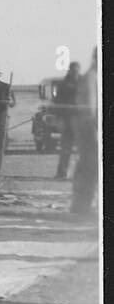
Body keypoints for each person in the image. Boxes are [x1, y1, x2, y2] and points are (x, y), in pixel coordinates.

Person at [70, 49, 98, 214]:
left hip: (90, 129)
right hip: (90, 130)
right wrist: (94, 132)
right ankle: (81, 207)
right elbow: (90, 109)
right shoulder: (90, 78)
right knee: (88, 168)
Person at [53, 61, 82, 179]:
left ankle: (83, 174)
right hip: (68, 121)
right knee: (66, 148)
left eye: (77, 70)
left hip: (82, 122)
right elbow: (58, 103)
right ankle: (62, 172)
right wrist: (60, 120)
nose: (75, 72)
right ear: (70, 71)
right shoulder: (63, 85)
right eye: (73, 70)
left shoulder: (84, 83)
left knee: (83, 149)